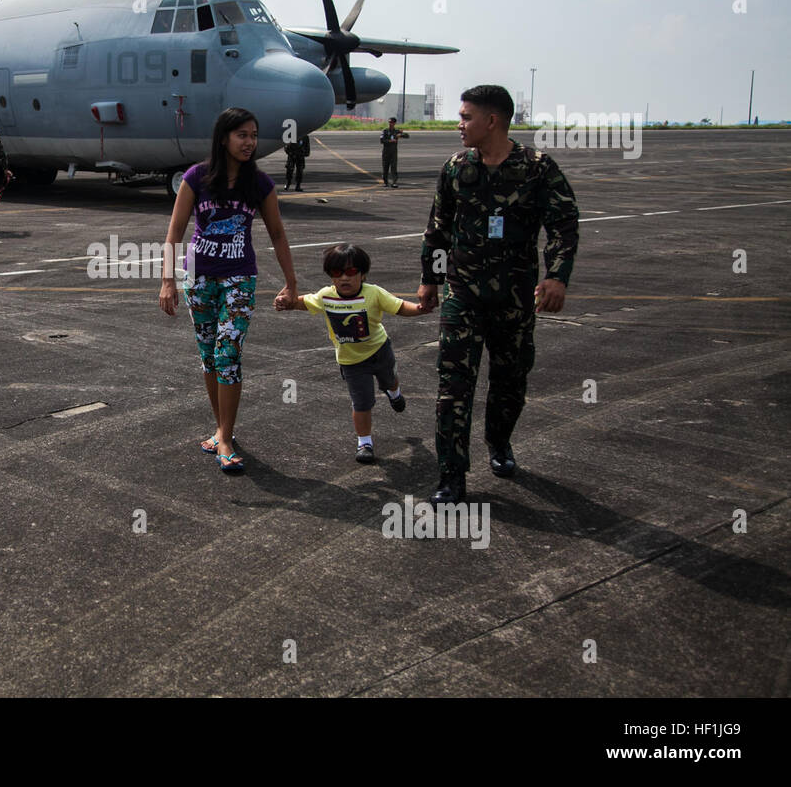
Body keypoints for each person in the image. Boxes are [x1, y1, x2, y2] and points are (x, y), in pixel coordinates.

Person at [417, 85, 579, 504]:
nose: (459, 124)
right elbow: (437, 229)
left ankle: (498, 441)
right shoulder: (455, 168)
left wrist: (557, 275)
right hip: (462, 295)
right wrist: (430, 280)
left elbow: (563, 223)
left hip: (515, 298)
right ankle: (451, 474)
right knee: (453, 385)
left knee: (510, 380)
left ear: (493, 121)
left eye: (467, 117)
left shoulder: (537, 168)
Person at [159, 106, 298, 471]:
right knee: (209, 357)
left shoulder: (260, 184)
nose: (250, 142)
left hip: (240, 278)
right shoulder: (196, 177)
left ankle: (224, 437)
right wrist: (167, 280)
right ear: (224, 138)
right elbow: (175, 231)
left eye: (253, 135)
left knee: (228, 354)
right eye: (242, 135)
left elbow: (278, 234)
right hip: (200, 279)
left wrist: (291, 282)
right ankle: (223, 429)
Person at [275, 244, 429, 462]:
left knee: (389, 380)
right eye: (337, 273)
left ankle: (394, 393)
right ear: (331, 276)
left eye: (351, 272)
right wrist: (287, 302)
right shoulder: (326, 296)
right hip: (351, 362)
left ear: (362, 273)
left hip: (379, 350)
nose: (344, 278)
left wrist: (419, 309)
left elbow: (400, 306)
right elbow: (303, 302)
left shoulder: (373, 293)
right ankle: (364, 442)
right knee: (362, 403)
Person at [379, 116, 408, 187]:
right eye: (389, 122)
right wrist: (390, 141)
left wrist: (401, 134)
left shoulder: (396, 131)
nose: (390, 124)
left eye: (391, 122)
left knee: (394, 167)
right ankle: (385, 182)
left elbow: (407, 136)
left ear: (394, 123)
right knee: (385, 167)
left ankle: (394, 182)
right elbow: (382, 140)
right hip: (386, 152)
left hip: (393, 152)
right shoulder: (385, 131)